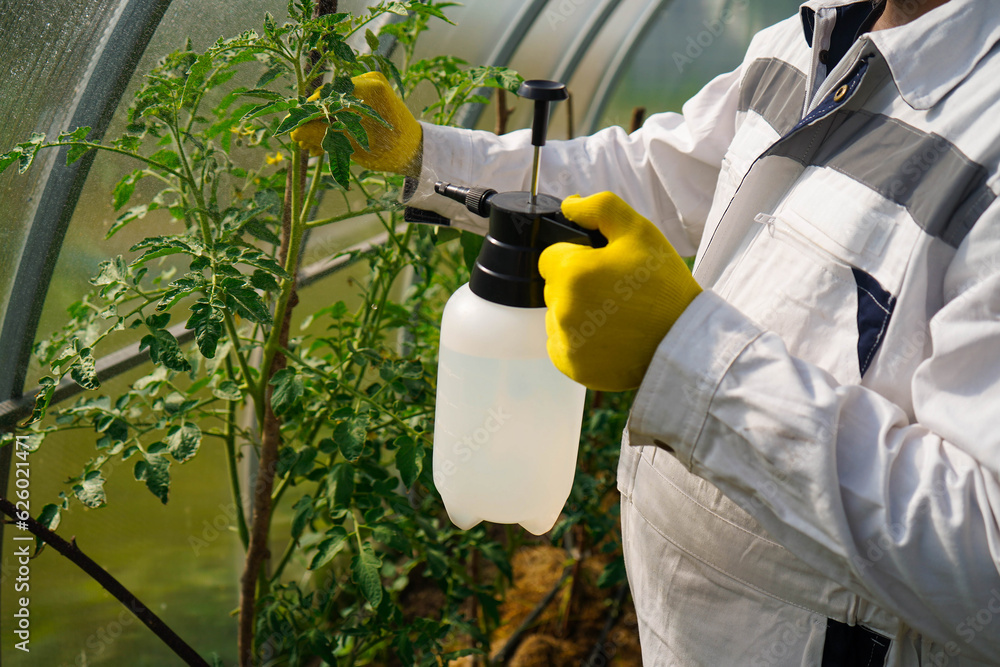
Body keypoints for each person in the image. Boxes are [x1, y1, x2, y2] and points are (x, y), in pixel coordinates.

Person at [298, 0, 1000, 663]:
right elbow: (651, 178)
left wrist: (689, 352)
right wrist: (427, 157)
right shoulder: (810, 38)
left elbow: (985, 565)